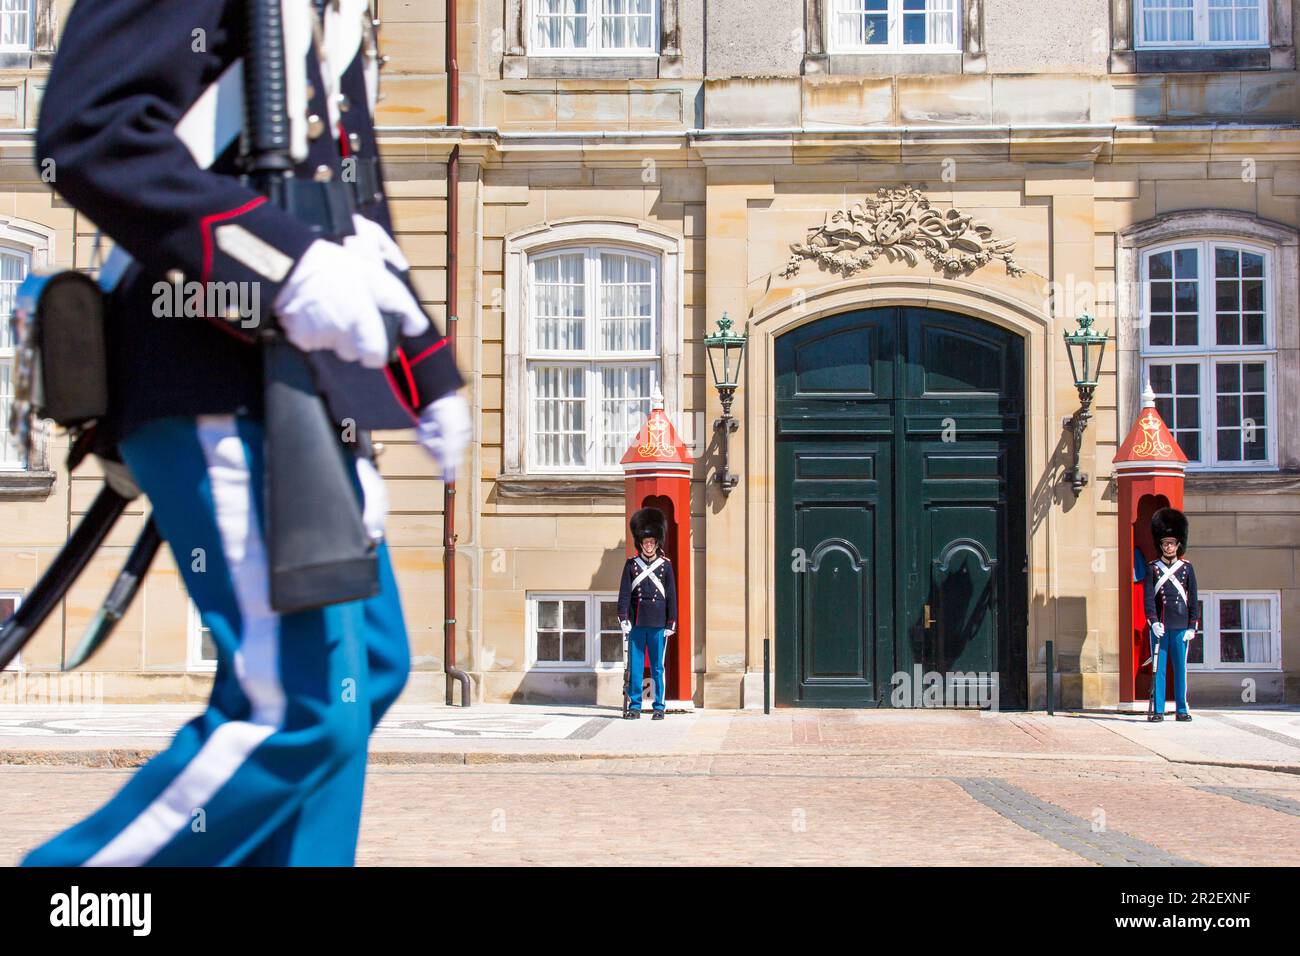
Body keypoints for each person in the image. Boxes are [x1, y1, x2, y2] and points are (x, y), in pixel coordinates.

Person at [23, 0, 470, 866]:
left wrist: (427, 363)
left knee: (366, 671)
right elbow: (92, 136)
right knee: (291, 710)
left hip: (303, 389)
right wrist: (282, 263)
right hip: (201, 364)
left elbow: (353, 209)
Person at [617, 508, 677, 720]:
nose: (649, 544)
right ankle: (635, 706)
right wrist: (623, 617)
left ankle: (659, 706)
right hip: (637, 622)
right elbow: (625, 593)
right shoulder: (631, 565)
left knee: (657, 668)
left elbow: (671, 595)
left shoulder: (665, 566)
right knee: (635, 668)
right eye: (646, 541)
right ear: (640, 543)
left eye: (652, 541)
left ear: (657, 542)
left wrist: (671, 622)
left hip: (658, 623)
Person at [1143, 507, 1198, 723]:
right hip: (1161, 626)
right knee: (1159, 670)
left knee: (1180, 670)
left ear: (1178, 545)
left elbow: (1193, 597)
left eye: (1172, 543)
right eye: (1165, 543)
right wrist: (1153, 622)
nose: (1168, 546)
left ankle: (1181, 710)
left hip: (1181, 626)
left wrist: (1192, 626)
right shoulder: (1153, 568)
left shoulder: (1186, 568)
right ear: (1161, 545)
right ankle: (1158, 709)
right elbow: (1148, 599)